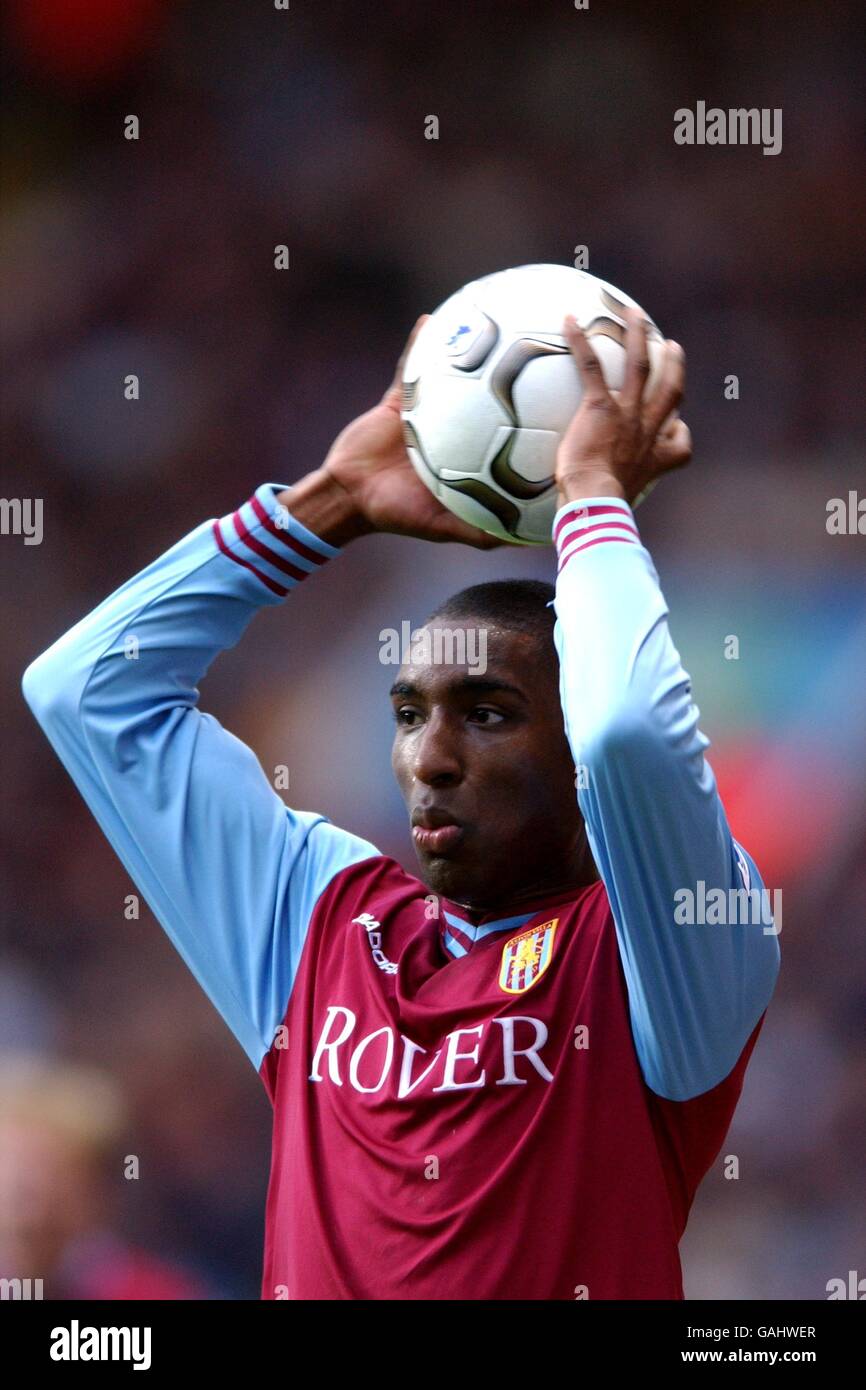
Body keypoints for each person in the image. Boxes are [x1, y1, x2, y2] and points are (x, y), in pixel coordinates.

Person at [22, 309, 780, 1299]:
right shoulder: (319, 919)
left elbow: (628, 733)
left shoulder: (671, 952)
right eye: (408, 711)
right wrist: (326, 504)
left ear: (570, 739)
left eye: (489, 713)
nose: (429, 757)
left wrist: (592, 499)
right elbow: (85, 690)